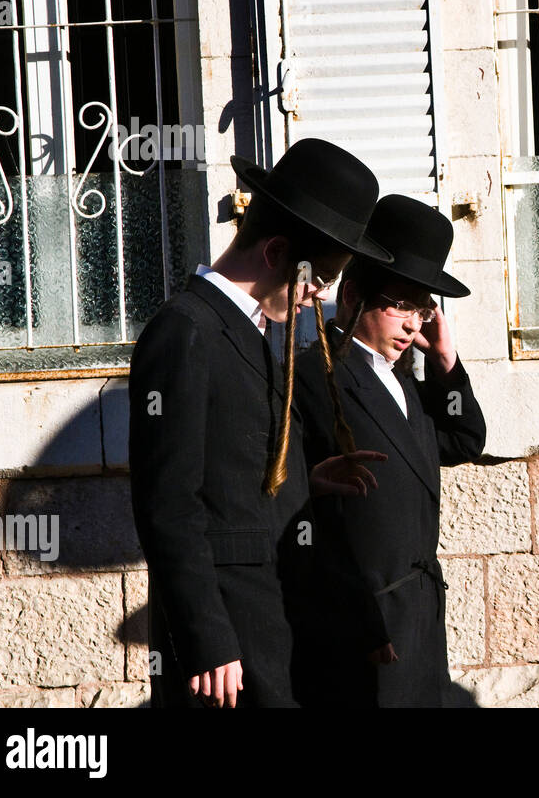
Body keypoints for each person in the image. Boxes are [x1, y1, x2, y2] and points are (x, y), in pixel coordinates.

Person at [129, 139, 392, 708]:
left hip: (276, 623)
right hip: (229, 645)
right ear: (275, 251)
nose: (319, 297)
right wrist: (206, 637)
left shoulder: (254, 331)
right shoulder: (186, 330)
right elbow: (167, 503)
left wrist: (306, 479)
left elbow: (231, 466)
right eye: (318, 279)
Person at [288, 195, 486, 707]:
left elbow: (466, 438)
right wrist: (354, 618)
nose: (413, 324)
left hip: (418, 622)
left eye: (422, 309)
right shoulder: (316, 375)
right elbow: (299, 516)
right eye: (401, 304)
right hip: (359, 629)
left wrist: (446, 362)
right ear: (353, 296)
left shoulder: (404, 382)